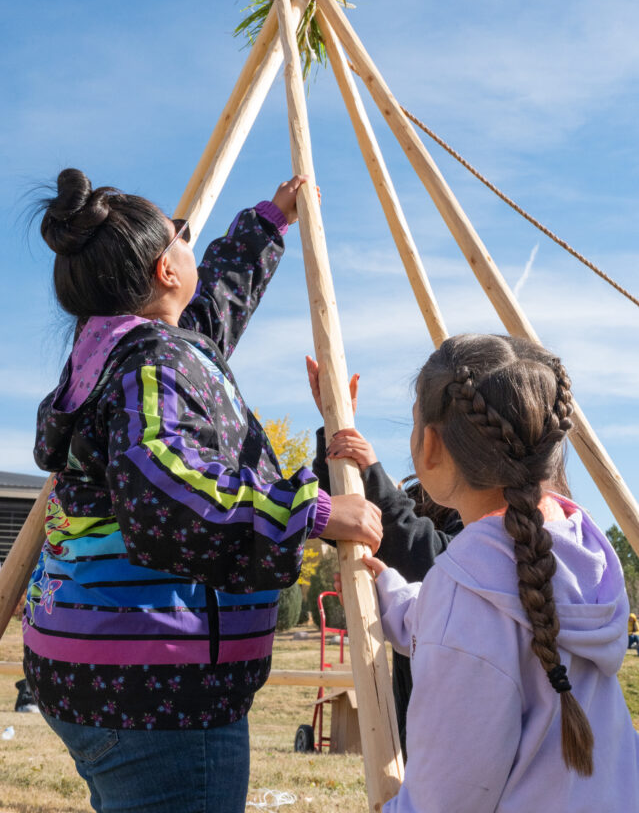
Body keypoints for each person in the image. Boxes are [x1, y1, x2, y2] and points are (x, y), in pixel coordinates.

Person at [23, 168, 382, 813]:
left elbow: (211, 310)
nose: (193, 245)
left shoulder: (110, 353)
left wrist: (270, 222)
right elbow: (168, 497)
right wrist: (314, 512)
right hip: (158, 691)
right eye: (183, 238)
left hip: (96, 668)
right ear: (165, 271)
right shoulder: (154, 367)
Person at [360, 334, 638, 812]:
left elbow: (447, 798)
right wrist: (392, 592)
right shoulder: (582, 556)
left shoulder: (468, 588)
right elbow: (469, 628)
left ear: (430, 445)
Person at [306, 355, 462, 760]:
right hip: (419, 716)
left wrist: (372, 473)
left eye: (417, 424)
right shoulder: (425, 500)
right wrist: (335, 428)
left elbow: (432, 558)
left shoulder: (497, 520)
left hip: (461, 724)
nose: (415, 440)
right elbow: (359, 525)